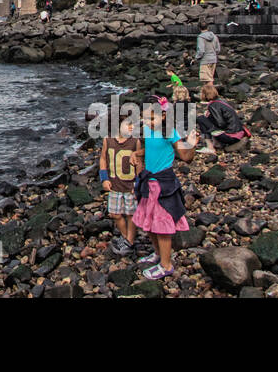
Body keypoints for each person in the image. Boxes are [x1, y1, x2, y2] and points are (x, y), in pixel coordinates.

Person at [133, 99, 197, 281]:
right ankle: (157, 253)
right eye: (144, 119)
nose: (147, 122)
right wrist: (136, 154)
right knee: (149, 223)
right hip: (148, 181)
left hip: (163, 185)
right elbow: (151, 148)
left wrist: (191, 143)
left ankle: (166, 265)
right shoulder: (147, 129)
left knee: (162, 227)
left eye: (151, 119)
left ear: (163, 116)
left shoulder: (170, 132)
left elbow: (185, 157)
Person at [99, 108, 142, 256]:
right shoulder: (108, 140)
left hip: (130, 185)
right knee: (115, 214)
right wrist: (104, 178)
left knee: (131, 214)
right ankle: (125, 236)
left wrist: (138, 182)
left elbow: (139, 164)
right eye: (128, 124)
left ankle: (129, 241)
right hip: (114, 184)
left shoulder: (135, 142)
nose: (132, 127)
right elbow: (103, 158)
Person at [194, 84, 250, 156]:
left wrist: (208, 117)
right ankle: (217, 143)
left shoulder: (213, 105)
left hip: (230, 136)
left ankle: (210, 147)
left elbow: (220, 123)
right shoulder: (221, 101)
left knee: (201, 119)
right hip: (238, 133)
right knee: (207, 120)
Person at [195, 20, 221, 86]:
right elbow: (218, 49)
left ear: (199, 28)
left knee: (206, 80)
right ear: (208, 27)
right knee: (210, 78)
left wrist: (196, 58)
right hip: (213, 59)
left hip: (205, 60)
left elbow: (201, 51)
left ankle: (210, 95)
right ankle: (209, 94)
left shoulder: (200, 37)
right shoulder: (215, 36)